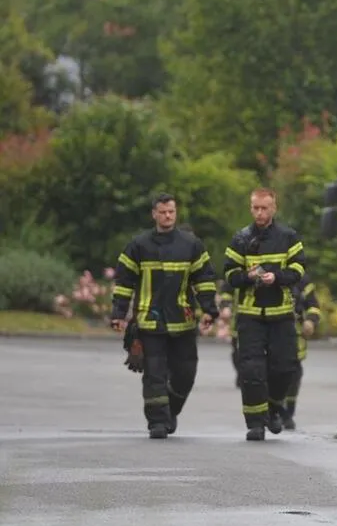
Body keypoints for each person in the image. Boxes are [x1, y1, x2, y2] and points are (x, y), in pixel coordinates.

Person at [110, 194, 219, 439]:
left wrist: (210, 310)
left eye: (171, 212)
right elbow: (124, 282)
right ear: (154, 214)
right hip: (150, 321)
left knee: (186, 374)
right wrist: (119, 314)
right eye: (163, 212)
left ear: (175, 213)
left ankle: (170, 412)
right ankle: (157, 423)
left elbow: (204, 279)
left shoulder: (191, 244)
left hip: (183, 320)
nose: (167, 216)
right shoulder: (139, 245)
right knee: (154, 374)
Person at [223, 187, 309, 441]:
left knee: (286, 367)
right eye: (255, 208)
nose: (259, 213)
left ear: (274, 208)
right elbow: (229, 276)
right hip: (250, 316)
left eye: (264, 208)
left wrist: (277, 277)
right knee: (251, 371)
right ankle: (255, 424)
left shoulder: (288, 237)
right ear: (251, 208)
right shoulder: (240, 239)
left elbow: (299, 269)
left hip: (281, 315)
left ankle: (273, 408)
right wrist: (246, 277)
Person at [281, 275, 321, 431]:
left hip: (295, 337)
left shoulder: (301, 279)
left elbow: (313, 305)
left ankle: (288, 414)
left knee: (293, 375)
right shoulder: (265, 273)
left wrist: (311, 320)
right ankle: (276, 411)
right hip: (270, 335)